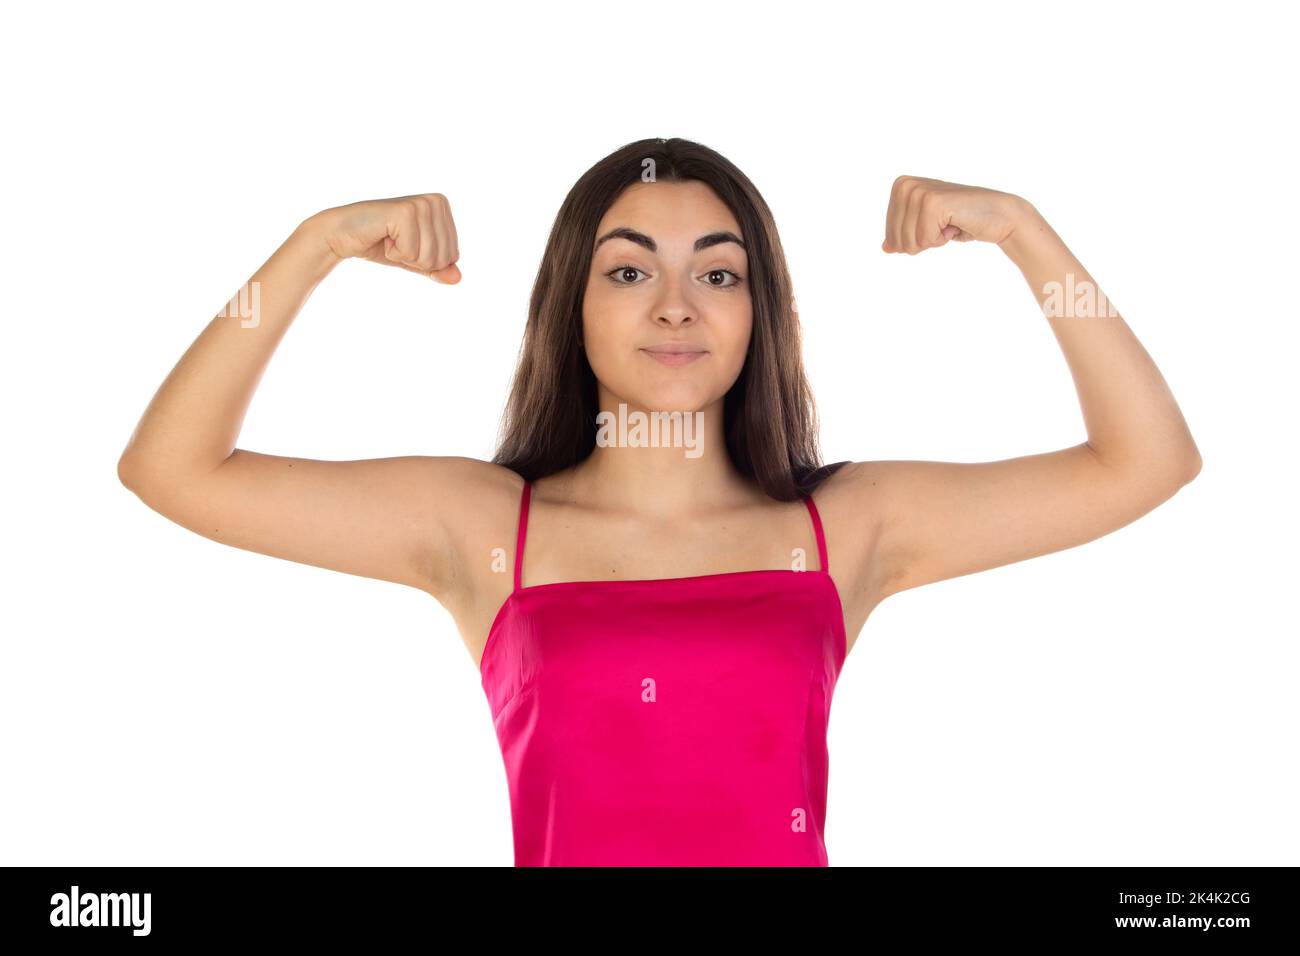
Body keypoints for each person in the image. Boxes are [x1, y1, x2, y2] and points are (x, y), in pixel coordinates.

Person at [117, 137, 1201, 866]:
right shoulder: (488, 528)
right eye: (629, 271)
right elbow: (171, 468)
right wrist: (318, 243)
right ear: (572, 305)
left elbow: (1145, 461)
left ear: (757, 309)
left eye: (718, 273)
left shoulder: (842, 530)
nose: (677, 305)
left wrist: (1021, 229)